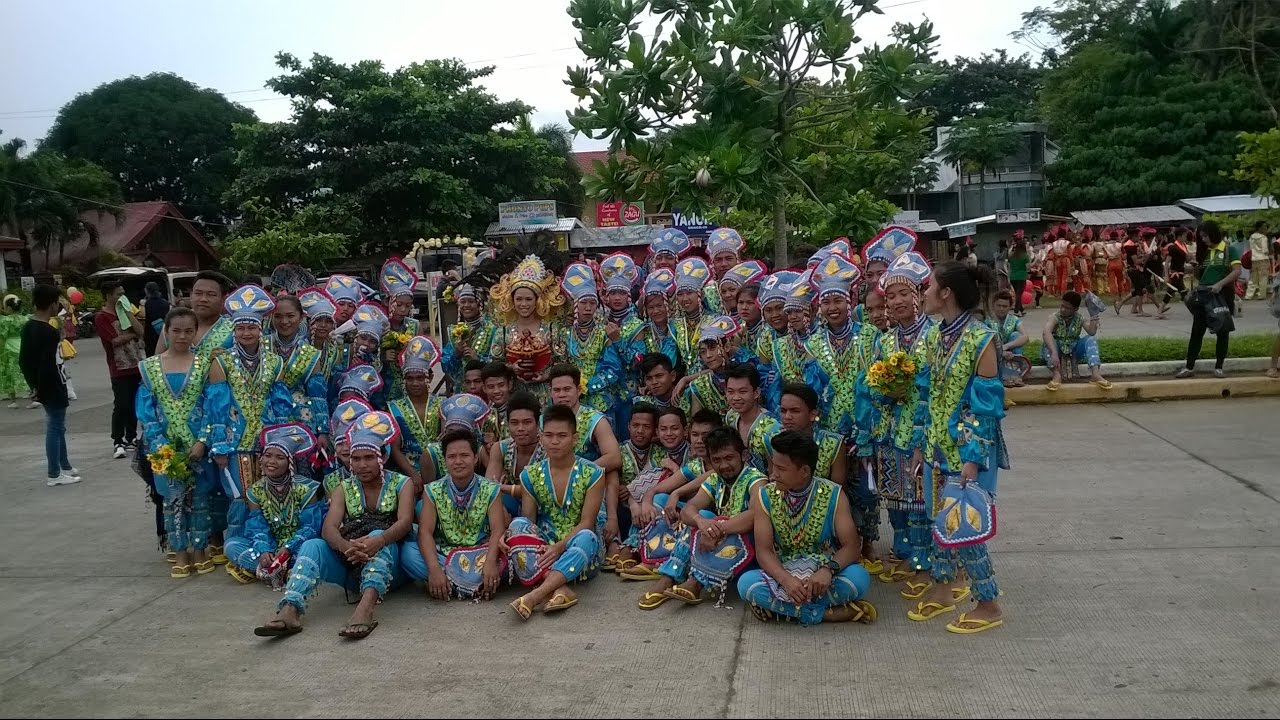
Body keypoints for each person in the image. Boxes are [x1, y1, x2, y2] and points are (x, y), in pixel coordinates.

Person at [254, 410, 414, 640]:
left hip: (392, 565)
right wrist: (346, 546)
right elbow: (329, 528)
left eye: (369, 458)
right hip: (350, 559)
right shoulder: (343, 488)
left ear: (383, 457)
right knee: (312, 546)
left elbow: (405, 522)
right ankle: (290, 610)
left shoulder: (402, 484)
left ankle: (365, 609)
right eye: (356, 459)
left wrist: (378, 540)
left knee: (378, 533)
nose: (362, 465)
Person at [911, 260, 1008, 634]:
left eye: (928, 287)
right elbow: (926, 393)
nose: (924, 294)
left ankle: (988, 603)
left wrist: (971, 460)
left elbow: (985, 408)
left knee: (965, 525)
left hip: (969, 453)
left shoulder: (981, 339)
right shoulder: (935, 334)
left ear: (945, 293)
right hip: (936, 448)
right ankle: (945, 583)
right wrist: (921, 442)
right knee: (938, 519)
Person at [736, 430, 875, 625]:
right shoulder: (764, 496)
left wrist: (827, 570)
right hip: (783, 574)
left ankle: (783, 611)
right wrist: (786, 580)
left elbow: (851, 546)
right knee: (746, 585)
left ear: (804, 472)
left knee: (859, 578)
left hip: (822, 578)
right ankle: (827, 614)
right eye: (773, 466)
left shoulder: (833, 494)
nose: (773, 474)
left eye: (781, 469)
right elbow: (764, 551)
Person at [136, 307, 227, 573]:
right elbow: (146, 410)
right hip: (163, 448)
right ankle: (179, 551)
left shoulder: (204, 365)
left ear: (195, 332)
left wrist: (203, 441)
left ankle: (199, 549)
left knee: (200, 500)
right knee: (171, 501)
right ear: (166, 331)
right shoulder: (150, 367)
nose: (182, 336)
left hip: (197, 444)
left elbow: (213, 406)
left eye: (189, 331)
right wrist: (159, 446)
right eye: (176, 330)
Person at [637, 426, 768, 609]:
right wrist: (703, 523)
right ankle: (669, 577)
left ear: (744, 456)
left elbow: (754, 517)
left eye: (729, 458)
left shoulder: (756, 480)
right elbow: (689, 509)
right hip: (720, 540)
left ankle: (695, 582)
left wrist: (715, 529)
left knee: (715, 521)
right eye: (717, 460)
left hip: (747, 549)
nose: (723, 465)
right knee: (702, 516)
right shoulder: (716, 479)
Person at [864, 252, 933, 583]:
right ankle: (906, 555)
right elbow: (872, 385)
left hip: (921, 432)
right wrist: (885, 391)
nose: (897, 301)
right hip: (888, 430)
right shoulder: (885, 339)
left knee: (920, 500)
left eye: (904, 293)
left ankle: (924, 561)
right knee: (895, 500)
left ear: (919, 294)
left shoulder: (934, 334)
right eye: (891, 296)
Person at [208, 286, 294, 540]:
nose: (246, 333)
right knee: (239, 497)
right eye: (241, 328)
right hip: (236, 445)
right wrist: (221, 447)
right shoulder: (221, 362)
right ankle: (238, 548)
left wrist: (281, 441)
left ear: (261, 329)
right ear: (234, 331)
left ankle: (264, 545)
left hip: (266, 443)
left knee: (267, 496)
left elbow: (281, 404)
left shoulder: (275, 362)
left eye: (251, 328)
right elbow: (217, 408)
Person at [507, 404, 607, 620]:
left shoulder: (593, 473)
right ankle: (560, 589)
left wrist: (559, 547)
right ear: (541, 438)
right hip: (545, 548)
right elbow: (530, 523)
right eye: (549, 435)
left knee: (587, 537)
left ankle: (536, 595)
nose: (554, 441)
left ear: (574, 438)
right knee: (517, 526)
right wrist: (518, 540)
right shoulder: (530, 475)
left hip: (579, 550)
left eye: (561, 435)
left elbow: (587, 522)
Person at [401, 428, 507, 600]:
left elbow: (497, 530)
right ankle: (466, 584)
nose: (458, 461)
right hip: (446, 554)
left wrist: (489, 563)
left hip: (481, 553)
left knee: (511, 556)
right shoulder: (432, 490)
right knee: (408, 553)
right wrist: (434, 569)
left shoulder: (491, 489)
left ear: (475, 458)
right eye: (451, 457)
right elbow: (425, 532)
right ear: (444, 460)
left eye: (464, 455)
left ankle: (451, 585)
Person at [224, 423, 325, 585]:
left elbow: (311, 528)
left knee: (315, 547)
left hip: (298, 545)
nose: (271, 461)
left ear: (290, 462)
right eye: (268, 455)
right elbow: (257, 526)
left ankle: (274, 571)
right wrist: (264, 550)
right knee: (231, 545)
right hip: (272, 546)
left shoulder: (306, 488)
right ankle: (279, 571)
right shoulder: (255, 491)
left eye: (279, 457)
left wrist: (288, 548)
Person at [19, 285, 81, 486]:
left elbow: (24, 360)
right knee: (55, 426)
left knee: (57, 426)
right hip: (53, 383)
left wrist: (33, 385)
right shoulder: (49, 332)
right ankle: (54, 473)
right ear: (52, 304)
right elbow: (49, 363)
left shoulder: (28, 327)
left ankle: (65, 465)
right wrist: (44, 387)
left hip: (42, 384)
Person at [490, 254, 565, 404]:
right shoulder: (503, 331)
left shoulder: (551, 328)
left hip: (546, 397)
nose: (523, 304)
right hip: (514, 398)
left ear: (538, 301)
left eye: (529, 299)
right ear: (512, 300)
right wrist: (511, 368)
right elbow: (494, 363)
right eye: (519, 299)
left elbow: (563, 362)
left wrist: (546, 375)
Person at [803, 253, 862, 436]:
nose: (832, 308)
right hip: (828, 429)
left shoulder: (869, 335)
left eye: (838, 301)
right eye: (826, 303)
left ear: (850, 302)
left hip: (865, 426)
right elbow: (812, 388)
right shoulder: (813, 343)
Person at [1177, 221, 1243, 378]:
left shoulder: (1228, 249)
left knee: (1222, 330)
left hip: (1221, 295)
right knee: (1196, 330)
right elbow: (1202, 276)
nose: (1204, 239)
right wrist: (1195, 269)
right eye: (1202, 236)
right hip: (1204, 295)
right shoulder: (1205, 252)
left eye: (1206, 236)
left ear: (1213, 234)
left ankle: (1219, 367)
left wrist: (1220, 284)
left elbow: (1237, 271)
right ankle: (1189, 367)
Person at [267, 295, 330, 442]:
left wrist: (322, 430)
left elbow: (317, 394)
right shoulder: (261, 345)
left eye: (290, 316)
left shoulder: (310, 353)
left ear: (301, 317)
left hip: (302, 421)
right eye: (278, 316)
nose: (284, 322)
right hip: (266, 418)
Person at [388, 336, 444, 491]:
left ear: (430, 378)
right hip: (408, 471)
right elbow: (395, 448)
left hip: (439, 468)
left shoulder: (442, 405)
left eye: (420, 378)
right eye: (409, 378)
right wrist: (413, 474)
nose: (414, 383)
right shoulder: (394, 407)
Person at [95, 281, 143, 458]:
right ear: (108, 295)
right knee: (121, 405)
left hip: (135, 364)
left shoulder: (125, 313)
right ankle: (118, 440)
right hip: (119, 367)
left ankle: (132, 437)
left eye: (123, 294)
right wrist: (131, 335)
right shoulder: (102, 317)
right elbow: (114, 340)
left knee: (134, 404)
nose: (121, 297)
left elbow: (140, 331)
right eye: (117, 294)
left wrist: (129, 314)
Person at [1043, 291, 1111, 390]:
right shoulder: (1054, 317)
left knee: (1091, 339)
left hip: (1074, 348)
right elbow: (1046, 332)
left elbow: (1091, 332)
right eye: (1062, 306)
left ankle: (1095, 374)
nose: (1062, 309)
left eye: (1067, 308)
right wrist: (1053, 352)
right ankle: (1056, 375)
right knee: (1048, 341)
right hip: (1057, 349)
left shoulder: (1080, 318)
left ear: (1075, 309)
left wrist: (1094, 315)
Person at [723, 362, 781, 474]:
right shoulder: (731, 417)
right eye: (730, 392)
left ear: (756, 393)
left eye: (742, 392)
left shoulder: (772, 429)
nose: (736, 398)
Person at [441, 283, 498, 394]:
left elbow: (500, 364)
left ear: (479, 304)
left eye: (471, 301)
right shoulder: (455, 332)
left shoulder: (492, 330)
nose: (466, 305)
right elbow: (445, 366)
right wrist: (456, 355)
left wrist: (478, 360)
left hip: (487, 392)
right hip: (461, 392)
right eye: (463, 302)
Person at [672, 257, 712, 371]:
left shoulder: (713, 321)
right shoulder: (675, 324)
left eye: (690, 293)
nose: (685, 299)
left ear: (702, 295)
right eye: (680, 294)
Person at [991, 291, 1030, 387]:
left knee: (1016, 335)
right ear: (993, 305)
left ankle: (1016, 376)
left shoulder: (1013, 319)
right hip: (993, 353)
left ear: (1010, 307)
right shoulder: (988, 320)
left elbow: (1025, 337)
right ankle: (1005, 377)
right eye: (998, 305)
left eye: (1005, 306)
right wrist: (1000, 351)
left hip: (1011, 353)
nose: (1001, 309)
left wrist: (1006, 346)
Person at [703, 228, 745, 314]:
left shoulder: (750, 286)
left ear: (738, 260)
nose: (724, 264)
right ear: (713, 263)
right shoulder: (708, 292)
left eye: (729, 258)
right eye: (718, 260)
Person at [0, 294, 30, 408]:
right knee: (27, 371)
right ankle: (34, 397)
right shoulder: (26, 318)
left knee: (10, 373)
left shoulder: (5, 320)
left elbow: (2, 336)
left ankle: (13, 401)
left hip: (10, 347)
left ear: (8, 308)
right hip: (24, 345)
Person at [480, 360, 516, 448]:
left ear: (510, 384)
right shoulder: (486, 414)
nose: (496, 391)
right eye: (491, 387)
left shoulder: (519, 410)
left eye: (501, 385)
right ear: (484, 389)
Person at [142, 281, 170, 356]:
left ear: (146, 290)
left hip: (150, 334)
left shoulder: (147, 303)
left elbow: (145, 318)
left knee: (151, 356)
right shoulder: (165, 302)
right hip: (163, 332)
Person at [1245, 221, 1271, 301]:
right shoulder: (1263, 237)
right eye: (1264, 226)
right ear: (1260, 228)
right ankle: (1261, 294)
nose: (1265, 228)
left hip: (1254, 259)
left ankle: (1248, 295)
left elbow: (1249, 249)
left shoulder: (1251, 237)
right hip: (1263, 259)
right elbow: (1265, 250)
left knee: (1253, 278)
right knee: (1263, 277)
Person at [1008, 234, 1030, 315]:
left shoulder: (1011, 255)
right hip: (1021, 276)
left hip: (1013, 276)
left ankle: (1022, 309)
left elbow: (1009, 266)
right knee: (1019, 294)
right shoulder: (1025, 256)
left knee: (1017, 293)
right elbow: (1028, 267)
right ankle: (1016, 311)